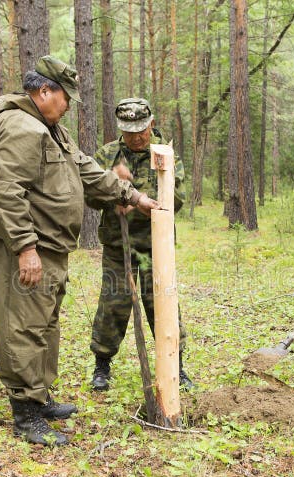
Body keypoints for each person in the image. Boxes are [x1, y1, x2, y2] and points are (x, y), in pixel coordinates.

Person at [0, 57, 160, 446]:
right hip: (26, 244)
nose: (69, 105)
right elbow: (5, 189)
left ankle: (39, 396)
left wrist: (134, 195)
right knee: (24, 324)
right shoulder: (19, 126)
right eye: (66, 97)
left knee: (44, 321)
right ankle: (26, 412)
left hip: (51, 244)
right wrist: (24, 247)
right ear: (44, 91)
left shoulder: (51, 129)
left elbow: (87, 171)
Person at [87, 98, 194, 392]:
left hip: (155, 248)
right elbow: (91, 196)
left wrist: (134, 198)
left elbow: (177, 199)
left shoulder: (165, 155)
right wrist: (115, 188)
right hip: (117, 247)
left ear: (152, 124)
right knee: (113, 305)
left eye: (141, 130)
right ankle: (102, 367)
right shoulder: (108, 154)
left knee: (163, 307)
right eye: (128, 131)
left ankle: (177, 367)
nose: (135, 137)